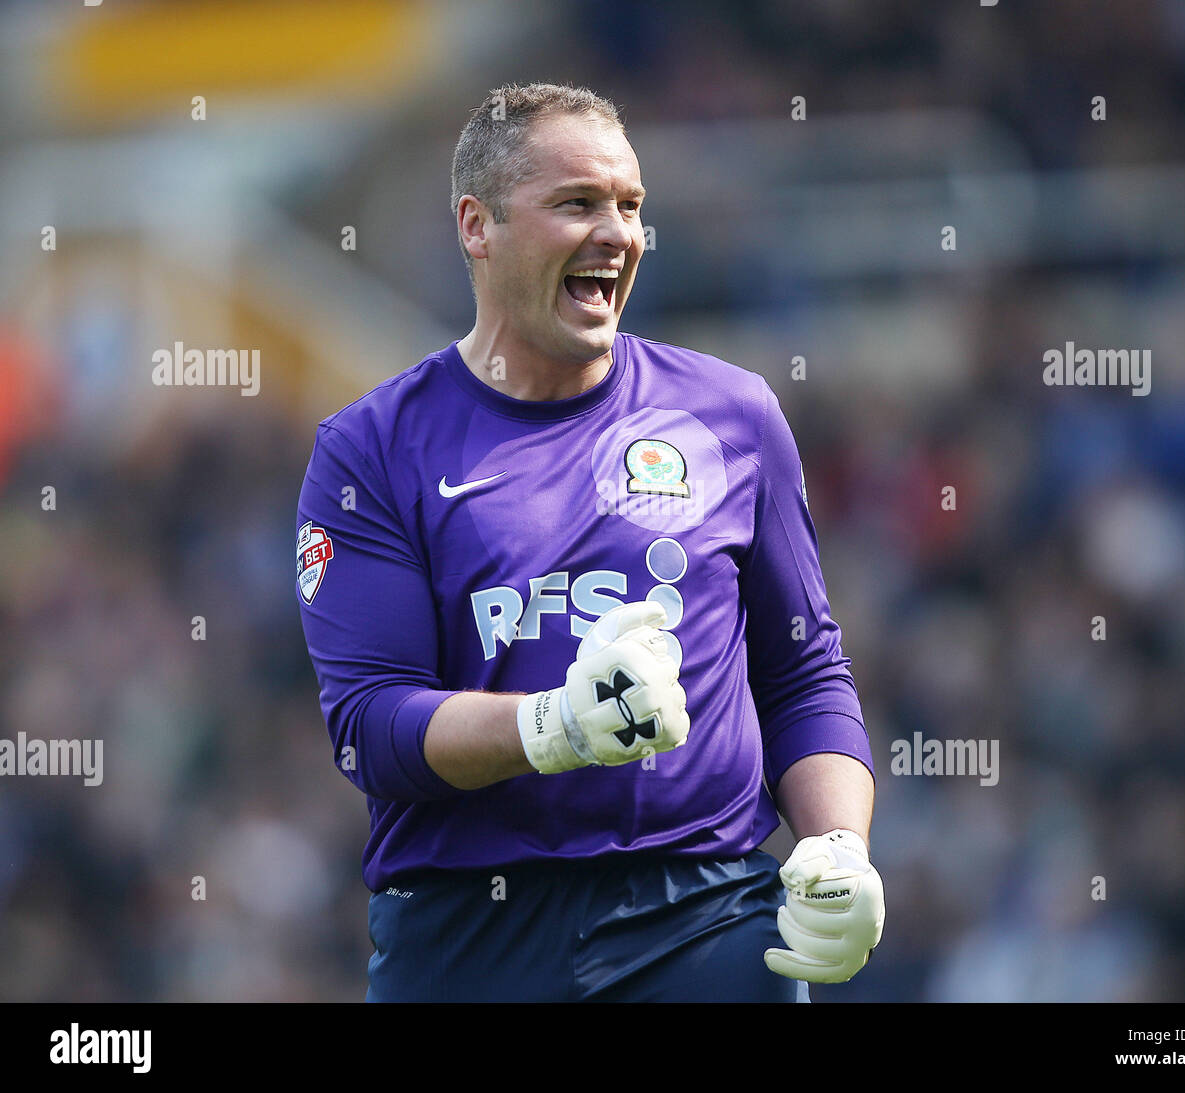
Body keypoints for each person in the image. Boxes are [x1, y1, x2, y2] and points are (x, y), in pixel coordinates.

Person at [296, 82, 884, 1002]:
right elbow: (371, 726)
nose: (618, 232)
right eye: (577, 203)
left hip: (708, 918)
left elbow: (804, 675)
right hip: (466, 938)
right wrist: (553, 725)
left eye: (631, 206)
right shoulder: (369, 448)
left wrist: (838, 845)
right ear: (476, 226)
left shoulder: (734, 414)